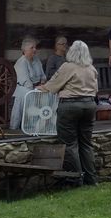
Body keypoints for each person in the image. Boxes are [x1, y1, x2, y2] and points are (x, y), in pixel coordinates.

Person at [37, 40, 98, 186]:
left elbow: (52, 86)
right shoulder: (91, 68)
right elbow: (95, 90)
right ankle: (91, 179)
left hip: (70, 106)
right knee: (86, 144)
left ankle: (76, 179)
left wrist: (41, 88)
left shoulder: (67, 67)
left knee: (70, 144)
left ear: (72, 52)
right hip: (89, 105)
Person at [10, 36, 45, 131]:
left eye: (35, 47)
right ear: (25, 50)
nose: (35, 49)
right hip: (22, 88)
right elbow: (26, 82)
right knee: (28, 95)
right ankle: (20, 125)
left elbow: (42, 75)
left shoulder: (36, 60)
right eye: (32, 48)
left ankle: (39, 125)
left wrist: (42, 84)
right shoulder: (21, 62)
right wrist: (36, 88)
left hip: (36, 87)